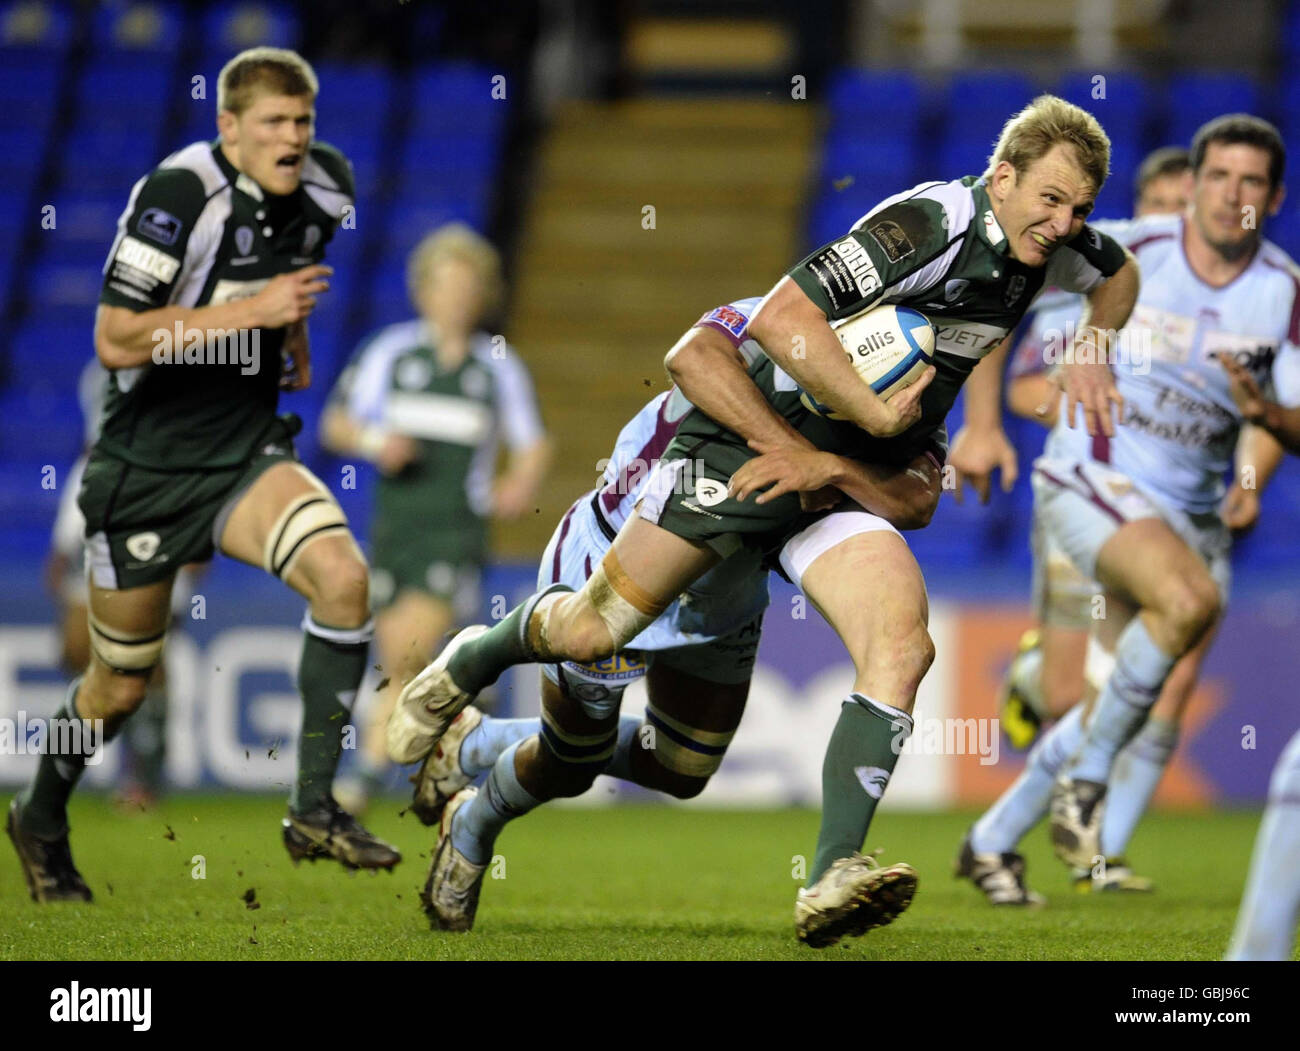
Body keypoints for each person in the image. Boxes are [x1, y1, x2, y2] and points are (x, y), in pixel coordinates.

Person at [389, 95, 1138, 946]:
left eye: (1077, 208)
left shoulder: (1034, 257)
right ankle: (476, 728)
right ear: (1001, 179)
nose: (1065, 221)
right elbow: (713, 347)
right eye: (1050, 200)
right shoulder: (878, 259)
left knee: (831, 684)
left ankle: (832, 875)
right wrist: (864, 424)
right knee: (579, 710)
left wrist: (1089, 350)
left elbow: (923, 496)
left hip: (795, 501)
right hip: (698, 485)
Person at [402, 296, 942, 938]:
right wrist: (796, 451)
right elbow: (689, 356)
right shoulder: (774, 321)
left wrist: (837, 466)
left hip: (721, 595)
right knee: (570, 764)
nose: (898, 411)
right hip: (617, 559)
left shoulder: (915, 384)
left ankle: (479, 740)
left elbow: (919, 494)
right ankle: (473, 821)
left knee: (682, 770)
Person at [7, 47, 400, 905]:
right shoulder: (179, 195)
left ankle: (311, 806)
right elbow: (115, 339)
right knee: (118, 684)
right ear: (229, 128)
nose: (293, 139)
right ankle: (39, 815)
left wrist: (286, 340)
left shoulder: (326, 186)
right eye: (273, 124)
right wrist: (251, 315)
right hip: (145, 465)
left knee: (342, 577)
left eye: (303, 121)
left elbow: (289, 276)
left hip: (245, 448)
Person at [954, 114, 1299, 904]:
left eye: (1250, 182)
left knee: (1161, 679)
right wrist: (978, 425)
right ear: (1195, 183)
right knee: (1159, 628)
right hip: (1091, 482)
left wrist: (1266, 434)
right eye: (1217, 176)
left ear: (1273, 197)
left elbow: (1290, 418)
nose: (1230, 195)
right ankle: (1085, 794)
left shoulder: (1284, 294)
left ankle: (997, 837)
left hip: (1191, 515)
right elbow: (992, 296)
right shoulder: (1122, 252)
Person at [321, 224, 550, 813]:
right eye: (445, 285)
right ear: (422, 291)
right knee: (409, 659)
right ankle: (459, 752)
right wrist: (377, 442)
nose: (456, 298)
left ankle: (363, 774)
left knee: (410, 648)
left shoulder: (497, 365)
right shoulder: (390, 352)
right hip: (395, 526)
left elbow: (533, 443)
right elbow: (335, 424)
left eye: (468, 286)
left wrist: (516, 483)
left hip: (455, 529)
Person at [998, 147, 1197, 752]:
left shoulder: (1219, 309)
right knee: (1062, 696)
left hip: (1167, 502)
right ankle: (1031, 677)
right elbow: (1026, 390)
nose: (1168, 220)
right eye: (1158, 206)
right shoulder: (1084, 293)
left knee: (1148, 674)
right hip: (1081, 488)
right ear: (1138, 212)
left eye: (1182, 209)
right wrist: (1104, 412)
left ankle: (1099, 826)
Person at [45, 359, 201, 810]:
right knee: (80, 653)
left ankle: (145, 777)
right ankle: (89, 761)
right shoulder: (101, 370)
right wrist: (59, 557)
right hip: (100, 511)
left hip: (158, 516)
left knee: (145, 666)